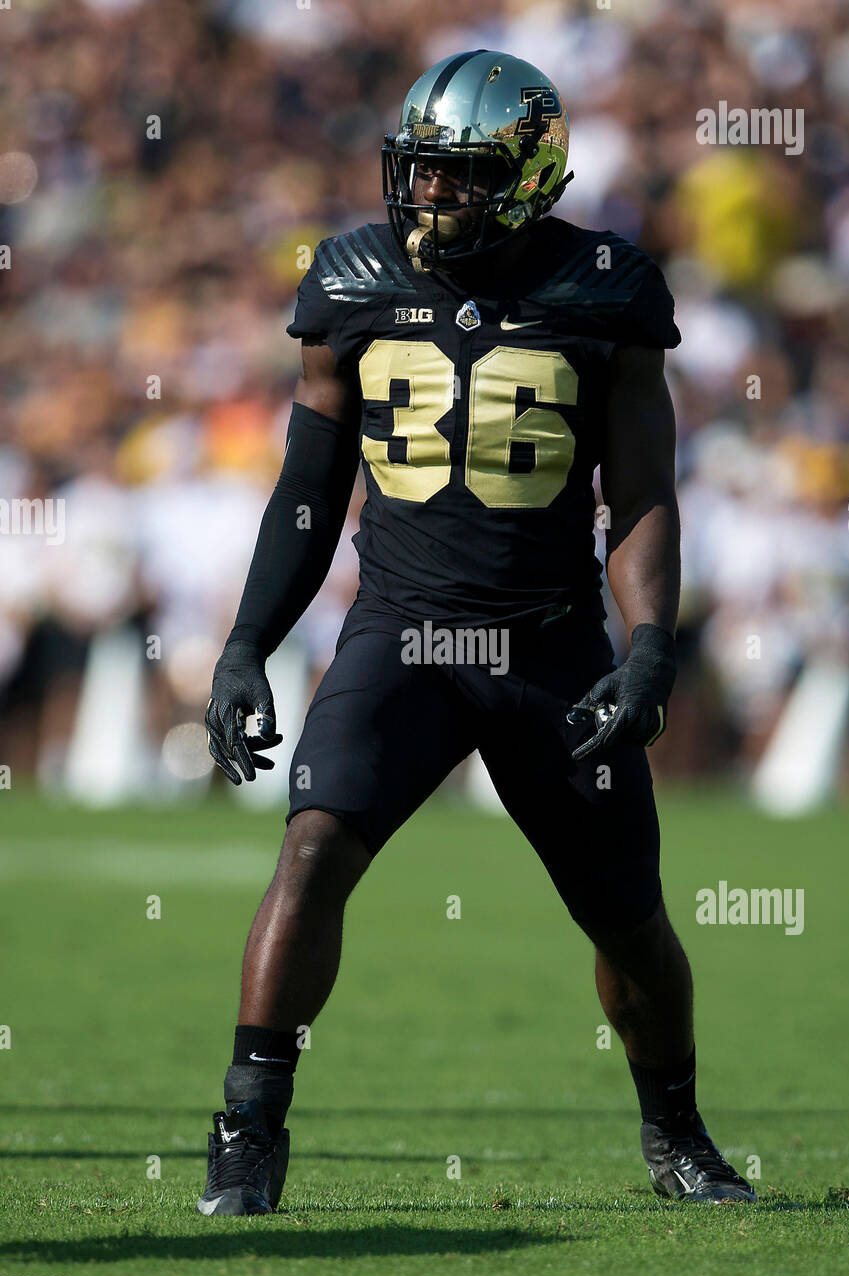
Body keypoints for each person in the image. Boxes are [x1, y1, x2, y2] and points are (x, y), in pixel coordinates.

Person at [198, 50, 755, 1214]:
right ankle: (248, 1129)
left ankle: (677, 1134)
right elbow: (309, 486)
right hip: (401, 633)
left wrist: (649, 641)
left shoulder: (606, 289)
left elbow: (643, 487)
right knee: (310, 850)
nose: (426, 197)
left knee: (628, 914)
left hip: (547, 643)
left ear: (525, 174)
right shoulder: (351, 279)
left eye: (454, 177)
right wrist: (250, 639)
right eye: (420, 173)